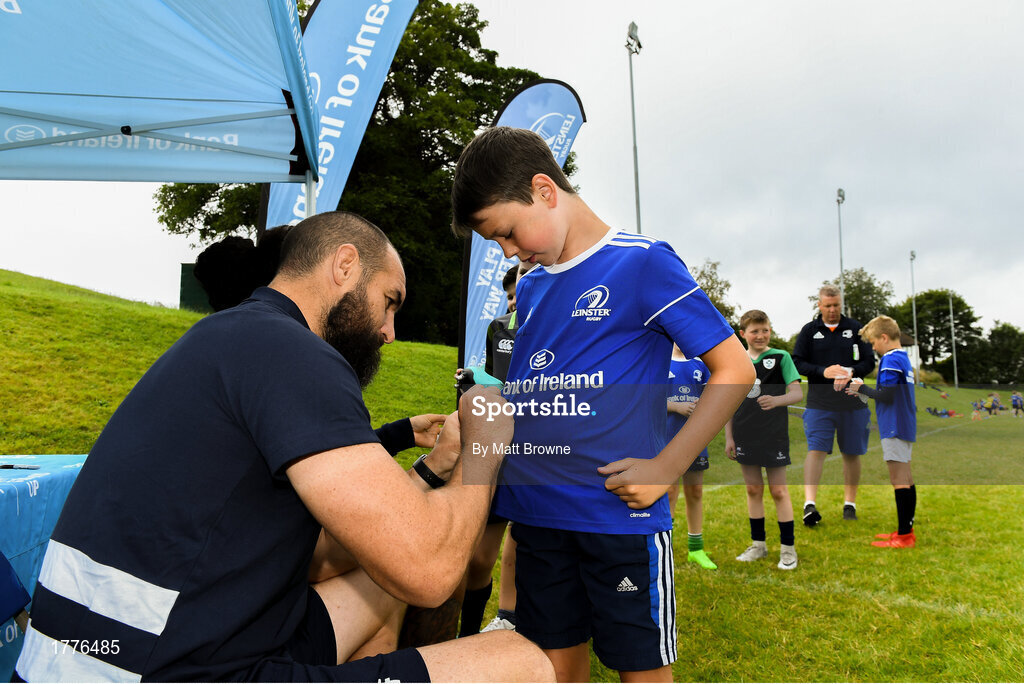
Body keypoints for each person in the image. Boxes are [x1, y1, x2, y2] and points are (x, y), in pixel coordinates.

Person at [15, 211, 554, 683]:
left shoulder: (236, 334)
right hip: (169, 667)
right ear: (344, 266)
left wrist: (433, 470)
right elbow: (430, 571)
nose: (390, 332)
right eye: (389, 303)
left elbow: (328, 558)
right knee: (522, 661)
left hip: (100, 655)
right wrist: (484, 443)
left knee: (379, 582)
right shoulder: (293, 354)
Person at [451, 126, 754, 682]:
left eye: (507, 233)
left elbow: (734, 369)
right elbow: (533, 393)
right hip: (539, 520)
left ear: (544, 190)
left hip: (619, 521)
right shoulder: (535, 285)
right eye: (496, 244)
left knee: (639, 672)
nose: (508, 252)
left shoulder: (642, 262)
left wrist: (668, 465)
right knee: (553, 668)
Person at [459, 263, 531, 636]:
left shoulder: (560, 326)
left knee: (523, 545)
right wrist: (477, 382)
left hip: (541, 455)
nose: (513, 297)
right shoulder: (498, 327)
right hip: (497, 453)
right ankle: (467, 635)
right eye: (510, 292)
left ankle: (511, 617)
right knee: (479, 558)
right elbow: (494, 382)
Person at [725, 310, 803, 570]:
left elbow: (796, 393)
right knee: (753, 490)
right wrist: (729, 437)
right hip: (744, 434)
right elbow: (729, 404)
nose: (760, 335)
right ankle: (758, 546)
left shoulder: (781, 357)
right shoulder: (737, 362)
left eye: (765, 330)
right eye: (755, 331)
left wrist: (777, 400)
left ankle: (788, 550)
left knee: (779, 491)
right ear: (742, 334)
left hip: (774, 435)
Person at [792, 285, 875, 526]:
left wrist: (851, 371)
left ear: (842, 304)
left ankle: (850, 504)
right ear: (819, 305)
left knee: (851, 453)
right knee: (816, 450)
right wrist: (822, 371)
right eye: (827, 306)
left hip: (853, 403)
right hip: (819, 404)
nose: (832, 310)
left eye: (836, 305)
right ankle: (810, 504)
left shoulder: (856, 329)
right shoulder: (809, 331)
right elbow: (797, 362)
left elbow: (869, 361)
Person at [845, 315, 918, 548]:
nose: (873, 347)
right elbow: (890, 393)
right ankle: (906, 531)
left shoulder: (889, 360)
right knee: (906, 477)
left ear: (884, 338)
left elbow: (887, 395)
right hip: (904, 423)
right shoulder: (903, 358)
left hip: (894, 425)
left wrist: (861, 387)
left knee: (899, 479)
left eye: (874, 342)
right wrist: (863, 392)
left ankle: (904, 537)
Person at [665, 346, 717, 570]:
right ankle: (665, 548)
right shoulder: (660, 360)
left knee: (695, 492)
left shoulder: (701, 364)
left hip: (695, 440)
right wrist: (676, 406)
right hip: (666, 440)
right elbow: (646, 398)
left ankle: (696, 549)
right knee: (668, 493)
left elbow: (713, 399)